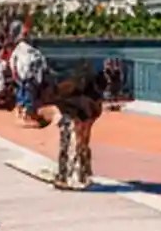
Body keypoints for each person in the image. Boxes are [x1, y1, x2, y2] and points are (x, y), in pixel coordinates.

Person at [41, 59, 114, 190]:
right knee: (78, 142)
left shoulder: (71, 88)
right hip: (77, 109)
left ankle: (69, 175)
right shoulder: (91, 101)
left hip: (73, 109)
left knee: (72, 141)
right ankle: (78, 175)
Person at [9, 22, 49, 127]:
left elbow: (13, 62)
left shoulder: (21, 49)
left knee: (22, 92)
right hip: (28, 75)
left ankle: (21, 112)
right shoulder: (27, 50)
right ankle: (27, 116)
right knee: (27, 95)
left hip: (23, 74)